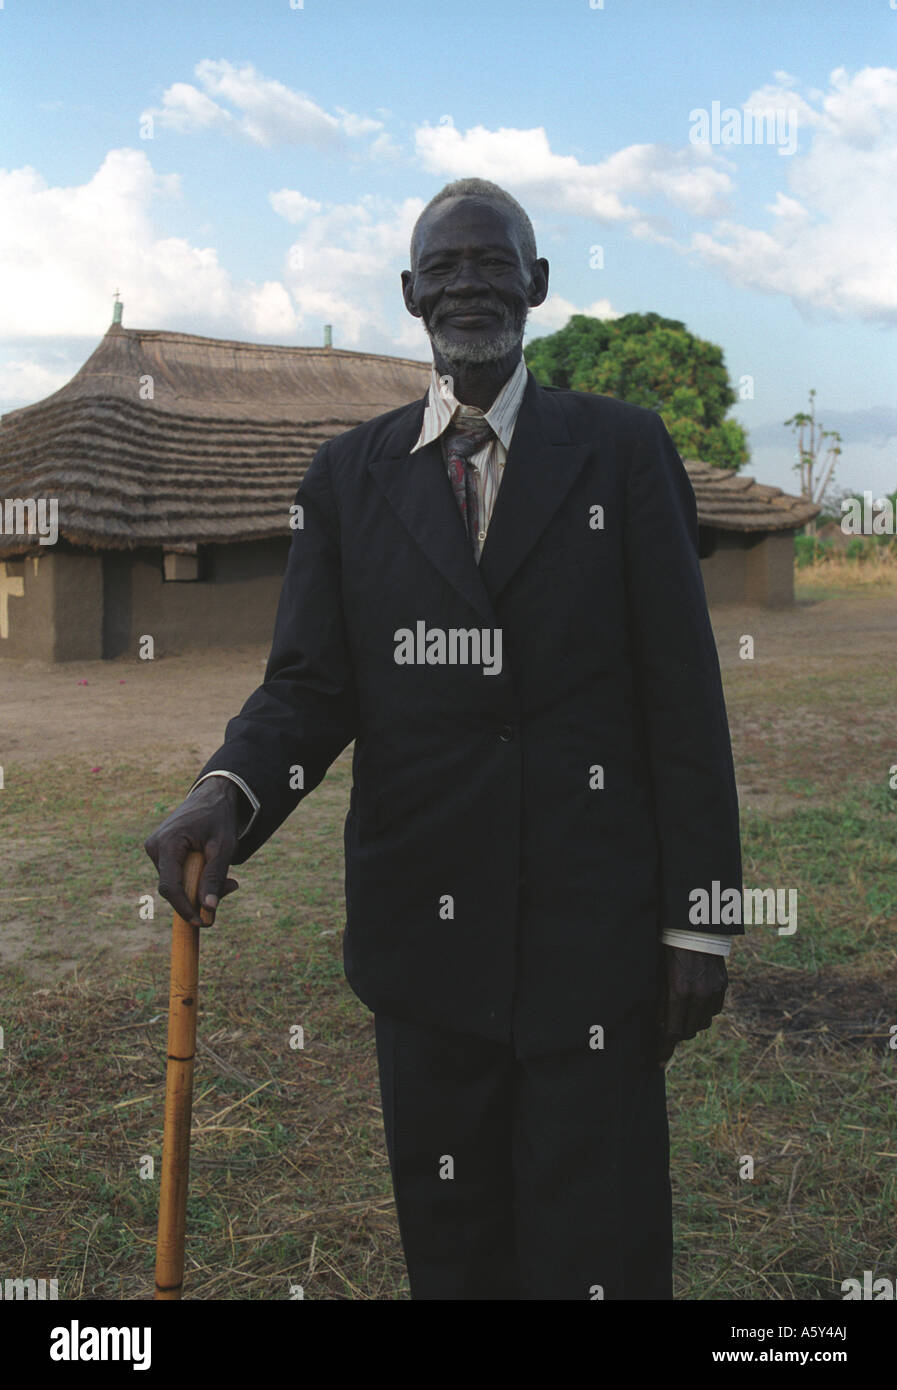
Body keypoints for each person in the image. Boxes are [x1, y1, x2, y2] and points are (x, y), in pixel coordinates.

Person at [145, 177, 742, 1300]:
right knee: (457, 1256)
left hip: (593, 943)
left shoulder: (620, 452)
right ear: (411, 294)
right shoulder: (348, 478)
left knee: (599, 1255)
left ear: (540, 284)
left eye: (494, 258)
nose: (471, 282)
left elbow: (683, 697)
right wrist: (227, 790)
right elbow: (310, 689)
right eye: (447, 265)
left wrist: (699, 926)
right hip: (426, 948)